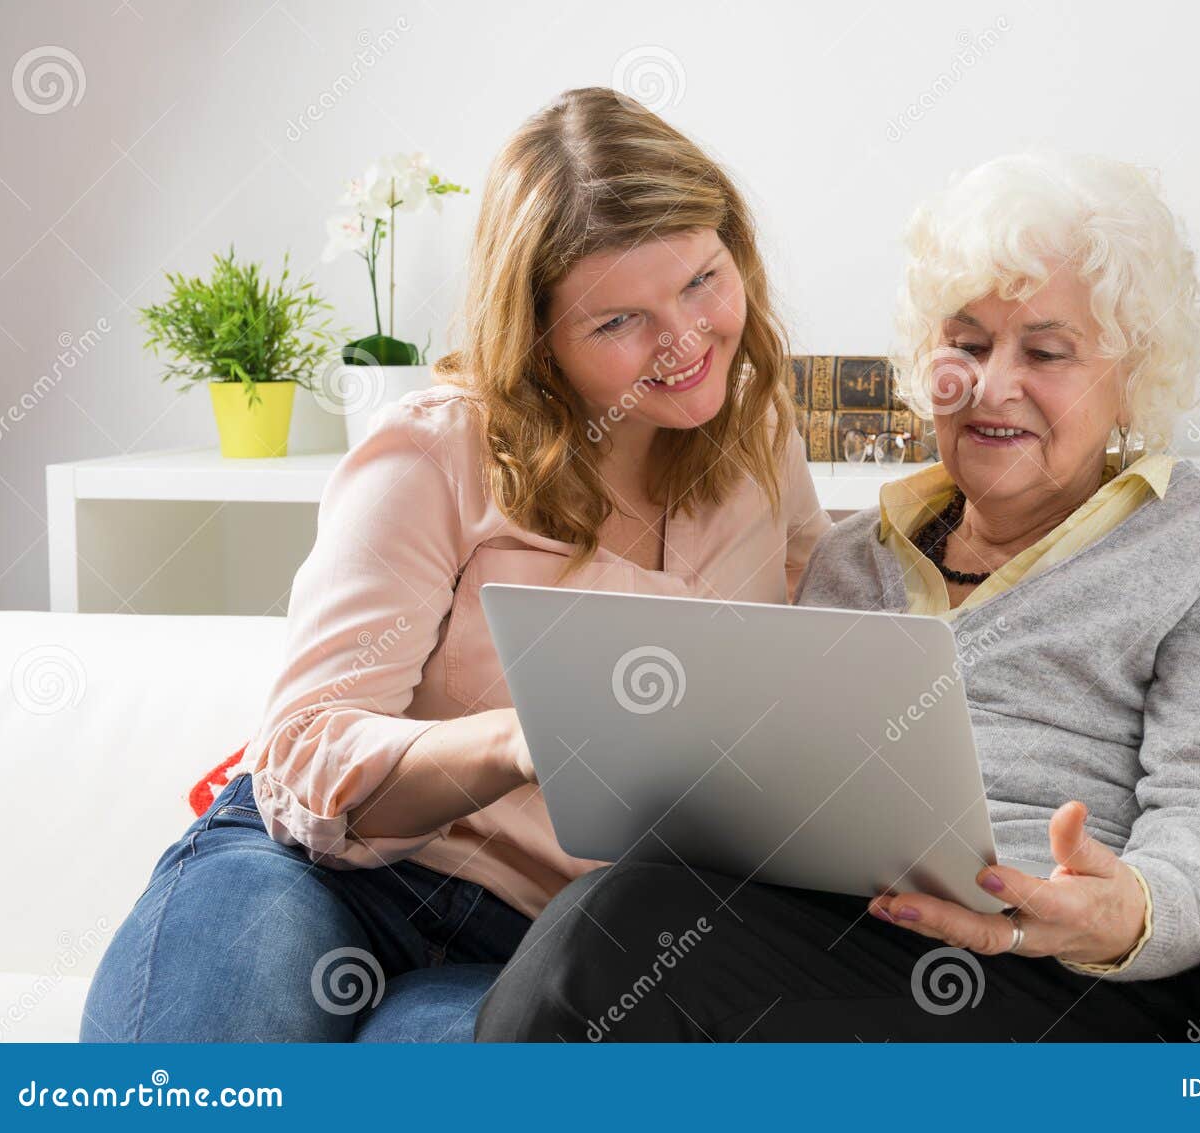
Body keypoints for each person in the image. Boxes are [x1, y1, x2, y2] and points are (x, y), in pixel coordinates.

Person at [474, 153, 1200, 1043]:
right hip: (849, 936)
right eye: (968, 345)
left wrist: (1125, 909)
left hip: (1069, 970)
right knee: (614, 919)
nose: (991, 385)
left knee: (608, 937)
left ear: (1134, 375)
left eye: (1047, 352)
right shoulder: (853, 555)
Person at [80, 87, 830, 1042]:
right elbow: (304, 750)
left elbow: (809, 691)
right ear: (541, 337)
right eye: (617, 323)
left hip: (531, 940)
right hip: (309, 870)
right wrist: (525, 740)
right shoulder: (438, 452)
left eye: (701, 280)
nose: (683, 342)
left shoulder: (764, 446)